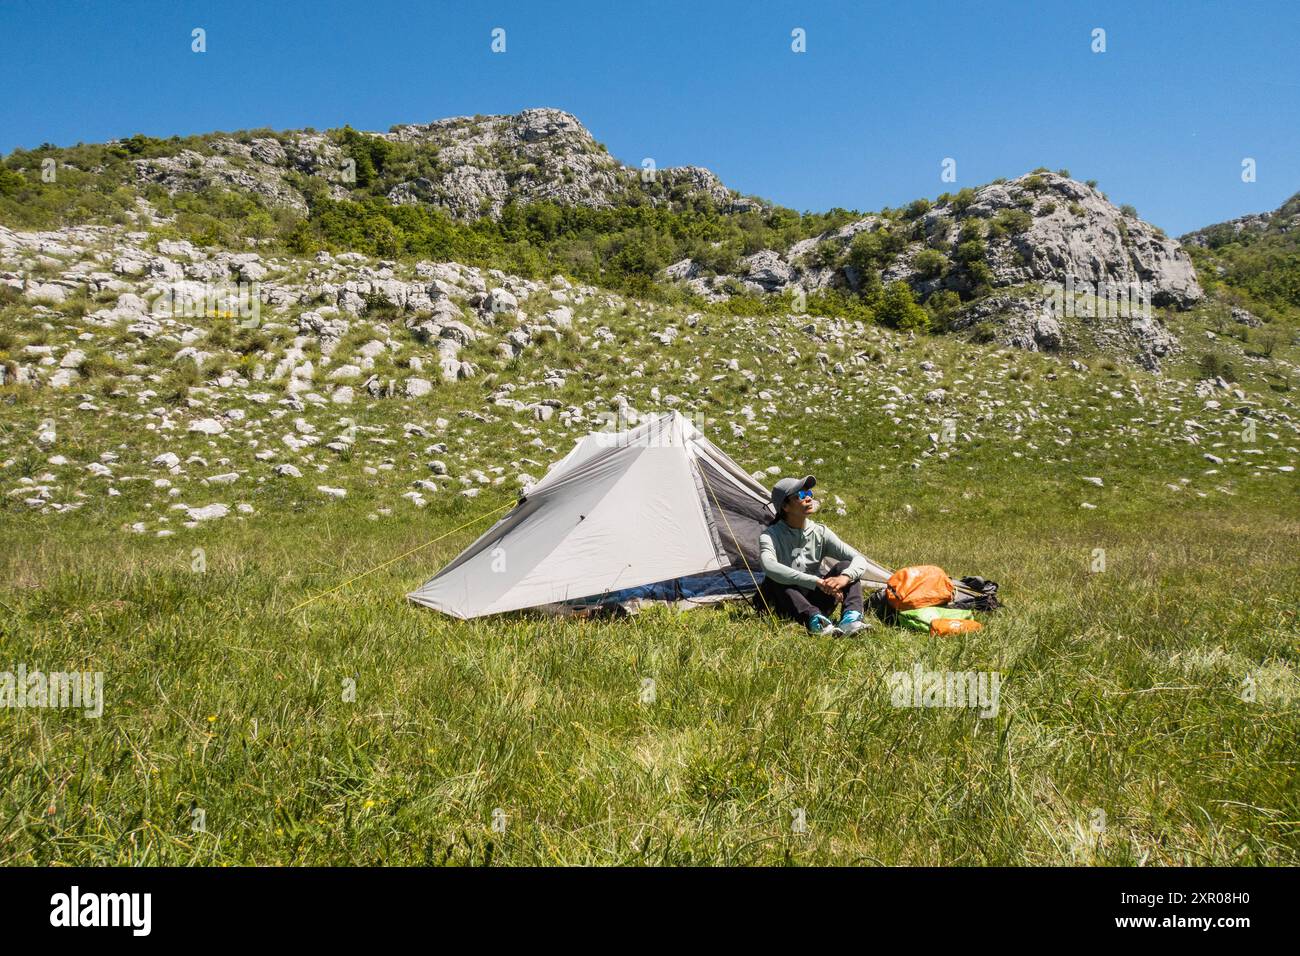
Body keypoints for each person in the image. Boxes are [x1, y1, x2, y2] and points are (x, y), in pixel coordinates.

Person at [757, 475, 870, 636]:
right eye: (801, 495)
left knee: (845, 566)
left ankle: (851, 621)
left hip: (818, 600)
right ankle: (816, 622)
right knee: (776, 578)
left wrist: (844, 577)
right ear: (785, 507)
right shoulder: (770, 535)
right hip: (787, 603)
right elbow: (769, 566)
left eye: (809, 493)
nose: (809, 498)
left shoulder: (820, 532)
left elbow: (858, 559)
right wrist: (816, 581)